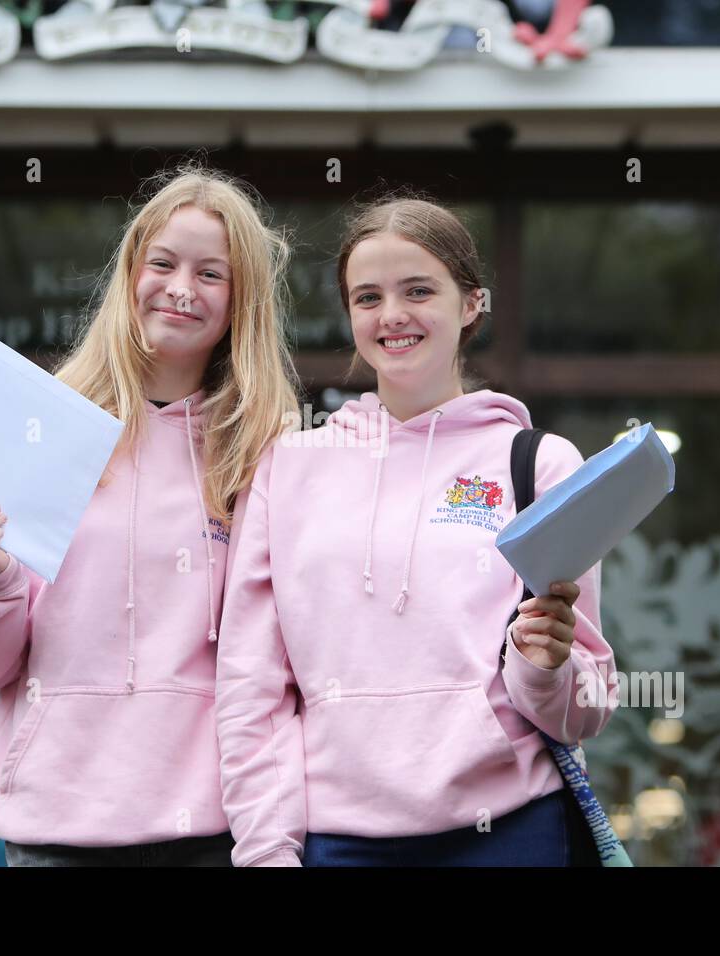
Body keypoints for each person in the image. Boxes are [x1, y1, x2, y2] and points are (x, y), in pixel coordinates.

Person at [215, 196, 618, 866]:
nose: (392, 315)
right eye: (368, 296)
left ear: (471, 304)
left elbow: (588, 701)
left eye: (419, 290)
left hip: (512, 833)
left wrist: (544, 668)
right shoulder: (289, 467)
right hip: (339, 844)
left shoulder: (540, 464)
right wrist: (266, 851)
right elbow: (250, 684)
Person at [0, 164, 298, 866]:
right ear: (131, 275)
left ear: (240, 300)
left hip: (209, 830)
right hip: (56, 827)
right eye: (163, 263)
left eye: (210, 274)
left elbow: (276, 661)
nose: (181, 288)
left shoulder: (264, 452)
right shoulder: (45, 428)